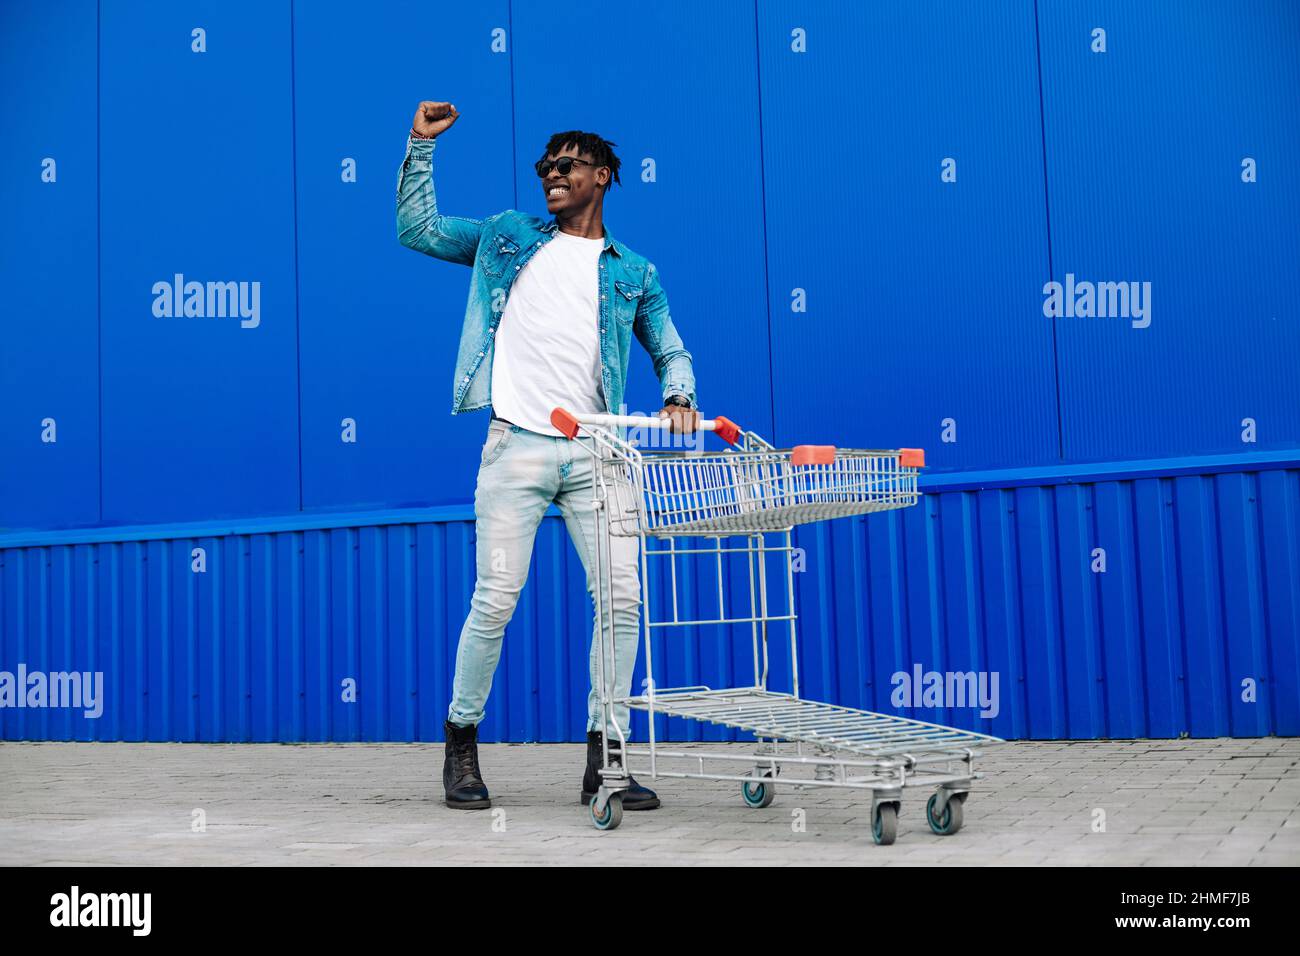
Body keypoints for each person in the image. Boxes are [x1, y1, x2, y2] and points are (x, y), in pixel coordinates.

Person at [396, 101, 700, 811]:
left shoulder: (634, 271)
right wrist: (420, 146)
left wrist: (680, 395)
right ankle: (462, 748)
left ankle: (606, 758)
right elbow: (419, 229)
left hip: (598, 454)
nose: (550, 175)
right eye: (544, 168)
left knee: (622, 600)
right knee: (496, 599)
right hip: (517, 450)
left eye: (565, 165)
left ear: (601, 175)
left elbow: (671, 348)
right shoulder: (506, 237)